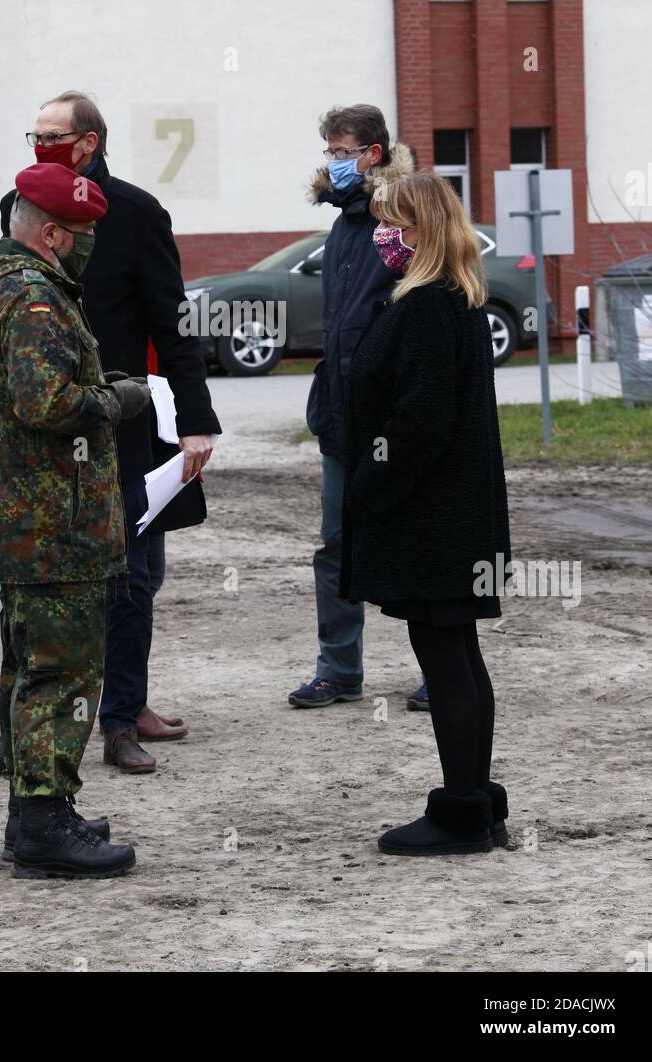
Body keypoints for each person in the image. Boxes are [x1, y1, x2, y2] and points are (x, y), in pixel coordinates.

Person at [0, 89, 221, 778]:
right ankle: (19, 728)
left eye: (51, 135)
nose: (39, 146)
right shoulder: (22, 206)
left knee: (131, 577)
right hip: (49, 438)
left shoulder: (135, 212)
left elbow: (174, 323)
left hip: (123, 425)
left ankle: (122, 717)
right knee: (34, 587)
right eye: (34, 135)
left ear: (88, 143)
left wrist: (196, 421)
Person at [0, 161, 152, 878]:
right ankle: (44, 822)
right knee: (60, 674)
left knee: (28, 668)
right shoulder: (34, 298)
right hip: (52, 525)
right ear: (51, 235)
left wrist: (97, 387)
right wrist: (117, 400)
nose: (89, 244)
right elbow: (45, 403)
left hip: (24, 521)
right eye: (81, 232)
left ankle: (32, 814)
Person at [341, 171, 511, 855]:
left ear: (425, 230)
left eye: (395, 223)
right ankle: (477, 804)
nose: (384, 235)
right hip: (455, 515)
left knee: (446, 659)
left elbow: (420, 420)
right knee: (458, 653)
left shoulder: (426, 307)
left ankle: (461, 814)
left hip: (434, 519)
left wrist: (367, 482)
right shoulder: (454, 298)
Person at [288, 106, 427, 710]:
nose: (333, 162)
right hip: (340, 414)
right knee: (336, 547)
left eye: (343, 151)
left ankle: (439, 668)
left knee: (415, 541)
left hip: (394, 415)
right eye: (329, 151)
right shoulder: (342, 225)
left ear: (374, 153)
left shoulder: (403, 218)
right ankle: (339, 670)